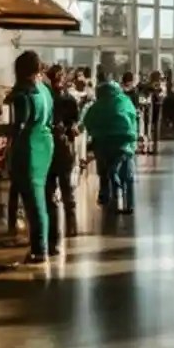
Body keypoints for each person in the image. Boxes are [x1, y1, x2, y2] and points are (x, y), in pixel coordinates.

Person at [9, 51, 55, 263]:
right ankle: (46, 244)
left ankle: (39, 249)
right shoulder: (45, 90)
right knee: (41, 197)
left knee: (33, 202)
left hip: (28, 146)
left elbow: (19, 125)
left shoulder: (23, 94)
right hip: (45, 143)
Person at [84, 72, 139, 214]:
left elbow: (87, 121)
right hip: (124, 143)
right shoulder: (125, 102)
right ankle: (130, 203)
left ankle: (106, 196)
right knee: (128, 176)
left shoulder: (97, 105)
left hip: (102, 144)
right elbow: (133, 119)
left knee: (104, 172)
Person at [43, 66, 81, 247]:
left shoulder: (45, 98)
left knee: (50, 192)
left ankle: (53, 233)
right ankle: (71, 227)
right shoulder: (69, 99)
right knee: (67, 190)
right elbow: (75, 122)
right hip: (64, 148)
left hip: (49, 150)